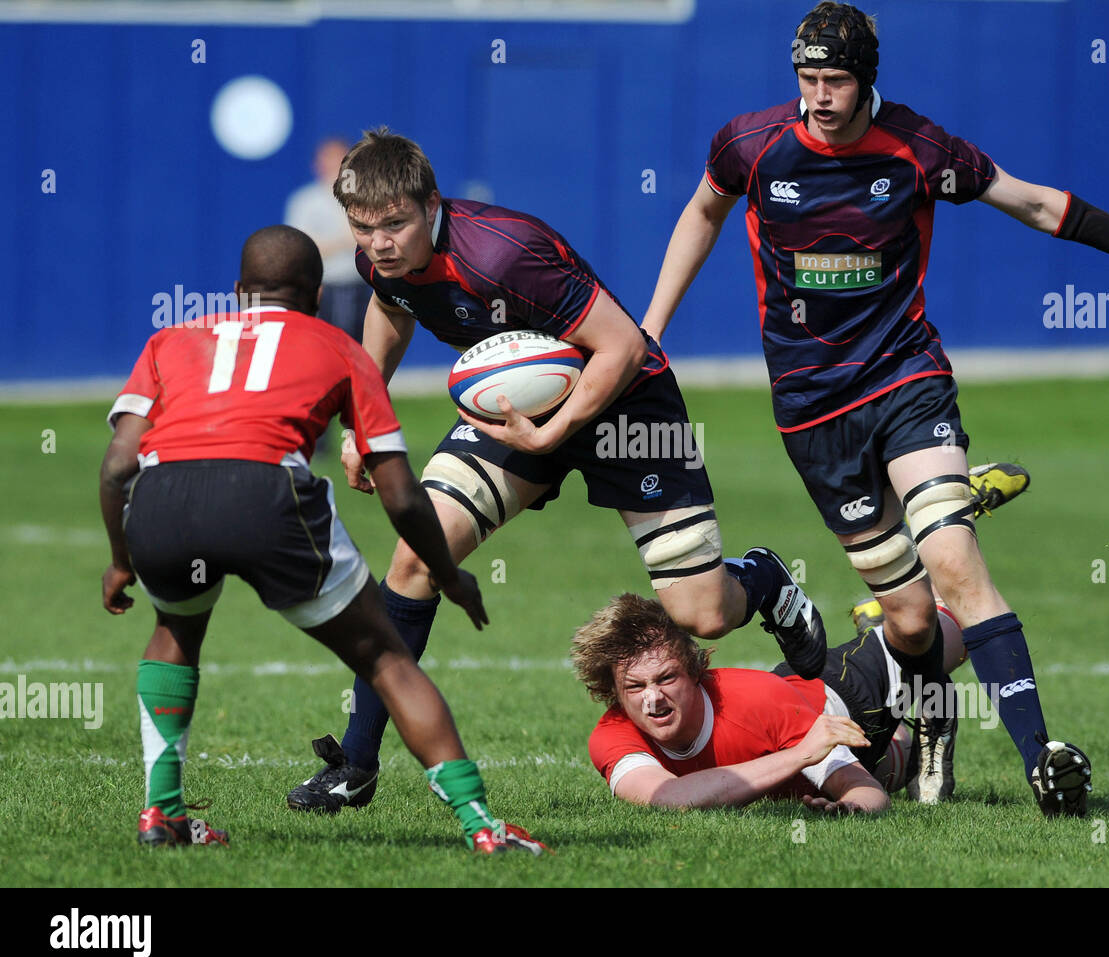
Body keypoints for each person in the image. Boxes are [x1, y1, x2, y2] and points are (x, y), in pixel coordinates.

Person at [640, 2, 1109, 817]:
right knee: (912, 621)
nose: (818, 96)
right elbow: (702, 212)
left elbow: (1032, 203)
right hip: (811, 412)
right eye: (807, 79)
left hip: (904, 380)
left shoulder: (920, 149)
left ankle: (1042, 761)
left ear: (867, 80)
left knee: (953, 562)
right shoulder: (752, 143)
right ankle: (935, 715)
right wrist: (652, 329)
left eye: (835, 80)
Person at [284, 127, 829, 813]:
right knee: (416, 560)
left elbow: (624, 346)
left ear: (430, 205)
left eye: (394, 224)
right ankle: (354, 767)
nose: (379, 242)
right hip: (521, 408)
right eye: (363, 229)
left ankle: (766, 583)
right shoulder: (381, 259)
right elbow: (392, 309)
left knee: (704, 614)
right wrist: (364, 418)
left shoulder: (504, 256)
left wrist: (553, 432)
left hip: (627, 402)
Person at [98, 224, 543, 854]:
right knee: (386, 660)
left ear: (237, 291)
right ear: (312, 297)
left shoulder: (171, 339)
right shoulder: (337, 347)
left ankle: (162, 815)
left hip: (162, 500)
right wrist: (447, 573)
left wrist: (121, 559)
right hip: (267, 499)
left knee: (175, 631)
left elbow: (117, 466)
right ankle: (483, 828)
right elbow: (401, 494)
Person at [578, 460, 1037, 811]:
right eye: (634, 687)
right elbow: (667, 798)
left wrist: (843, 796)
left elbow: (865, 793)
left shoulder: (759, 703)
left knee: (926, 627)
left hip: (846, 691)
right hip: (825, 737)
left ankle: (942, 512)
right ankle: (919, 692)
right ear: (613, 692)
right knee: (901, 767)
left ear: (696, 669)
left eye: (665, 679)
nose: (653, 699)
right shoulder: (613, 734)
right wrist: (812, 773)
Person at [284, 137, 372, 343]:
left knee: (360, 345)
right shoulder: (305, 201)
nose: (335, 165)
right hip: (325, 285)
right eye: (329, 159)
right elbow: (302, 247)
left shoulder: (363, 197)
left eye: (340, 159)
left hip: (361, 284)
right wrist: (344, 241)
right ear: (318, 163)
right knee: (326, 342)